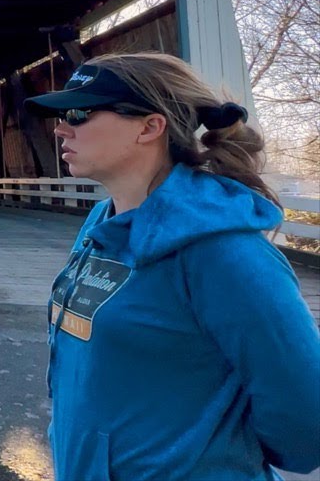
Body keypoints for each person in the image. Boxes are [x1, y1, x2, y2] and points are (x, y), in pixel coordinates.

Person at [23, 52, 320, 481]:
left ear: (150, 126)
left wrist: (207, 456)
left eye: (80, 113)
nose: (60, 127)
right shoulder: (103, 224)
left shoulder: (224, 254)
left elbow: (306, 419)